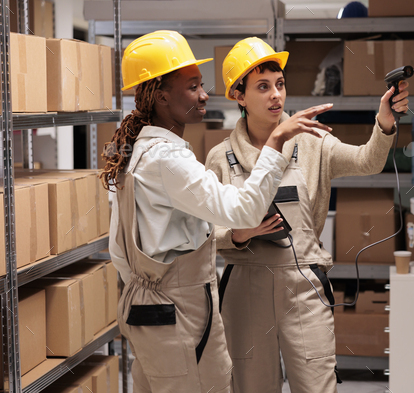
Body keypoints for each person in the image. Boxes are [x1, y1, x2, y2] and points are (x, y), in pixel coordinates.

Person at [101, 31, 333, 393]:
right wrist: (275, 143)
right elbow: (242, 210)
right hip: (178, 311)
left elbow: (119, 251)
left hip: (148, 306)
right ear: (162, 96)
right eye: (193, 87)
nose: (204, 95)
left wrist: (150, 285)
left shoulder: (140, 152)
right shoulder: (169, 160)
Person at [205, 37, 410, 393]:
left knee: (317, 384)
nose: (276, 96)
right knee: (251, 386)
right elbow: (209, 233)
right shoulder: (220, 159)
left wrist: (385, 121)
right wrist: (239, 234)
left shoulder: (312, 141)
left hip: (303, 286)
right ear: (238, 96)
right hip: (244, 288)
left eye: (280, 85)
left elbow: (368, 161)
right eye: (263, 87)